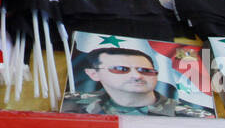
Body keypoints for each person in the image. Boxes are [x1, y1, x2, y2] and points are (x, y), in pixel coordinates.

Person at [63, 47, 204, 117]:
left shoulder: (191, 116)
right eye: (121, 69)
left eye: (145, 70)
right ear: (93, 74)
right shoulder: (68, 103)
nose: (137, 76)